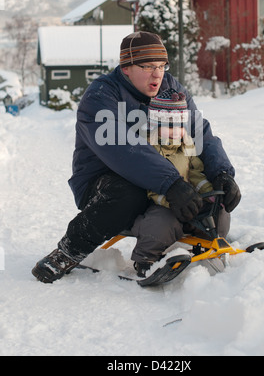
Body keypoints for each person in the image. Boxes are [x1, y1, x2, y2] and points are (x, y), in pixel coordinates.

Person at [32, 31, 241, 283]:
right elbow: (122, 150)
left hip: (164, 178)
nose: (157, 74)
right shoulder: (101, 96)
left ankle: (197, 230)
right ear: (126, 67)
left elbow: (199, 133)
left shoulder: (171, 89)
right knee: (129, 193)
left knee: (204, 178)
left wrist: (222, 173)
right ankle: (67, 252)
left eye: (162, 66)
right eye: (148, 66)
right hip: (104, 184)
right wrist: (170, 182)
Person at [131, 88, 220, 277]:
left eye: (180, 126)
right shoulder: (148, 149)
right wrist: (169, 201)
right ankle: (145, 259)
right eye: (169, 126)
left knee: (218, 213)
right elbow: (148, 182)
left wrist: (208, 191)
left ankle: (207, 240)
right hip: (160, 203)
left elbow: (195, 172)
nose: (175, 131)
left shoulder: (186, 144)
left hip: (188, 200)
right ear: (155, 125)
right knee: (160, 225)